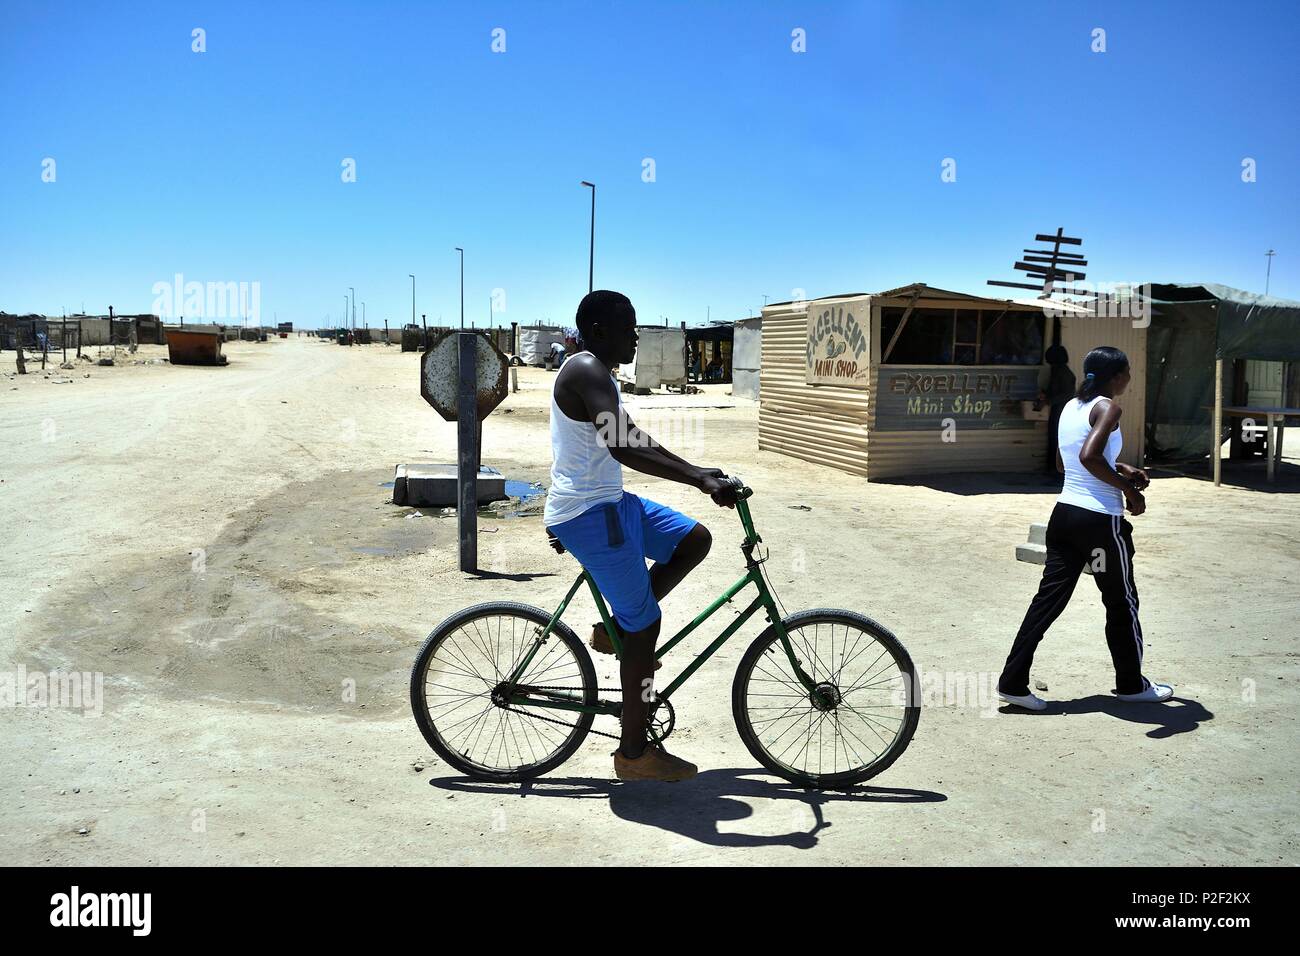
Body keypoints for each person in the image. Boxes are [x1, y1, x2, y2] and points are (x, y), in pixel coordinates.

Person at [544, 290, 735, 781]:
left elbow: (630, 436)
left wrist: (697, 469)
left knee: (693, 540)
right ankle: (633, 755)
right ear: (601, 330)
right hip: (587, 513)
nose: (635, 335)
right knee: (646, 628)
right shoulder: (585, 369)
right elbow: (623, 444)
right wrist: (696, 478)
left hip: (613, 504)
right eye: (629, 327)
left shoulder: (599, 373)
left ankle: (617, 630)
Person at [998, 346, 1173, 711]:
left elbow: (1067, 466)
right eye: (1127, 372)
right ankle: (1131, 684)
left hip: (1064, 517)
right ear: (1118, 376)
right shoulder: (1109, 407)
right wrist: (1129, 493)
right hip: (1099, 523)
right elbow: (1087, 458)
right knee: (1121, 601)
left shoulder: (1071, 407)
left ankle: (1012, 682)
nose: (1129, 377)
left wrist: (1121, 468)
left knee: (1047, 602)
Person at [1042, 344, 1076, 474]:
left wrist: (1048, 400)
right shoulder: (1057, 370)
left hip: (1062, 411)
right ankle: (1053, 469)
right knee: (1053, 439)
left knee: (1057, 440)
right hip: (1057, 409)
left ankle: (1057, 471)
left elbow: (1066, 394)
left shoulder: (1062, 372)